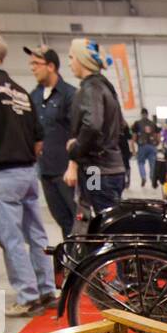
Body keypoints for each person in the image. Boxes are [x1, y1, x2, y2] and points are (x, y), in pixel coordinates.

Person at [0, 26, 56, 318]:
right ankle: (46, 289)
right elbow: (38, 138)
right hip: (28, 171)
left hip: (1, 173)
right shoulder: (19, 90)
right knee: (37, 234)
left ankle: (27, 296)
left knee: (11, 237)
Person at [64, 38, 127, 214]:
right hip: (111, 169)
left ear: (82, 59)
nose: (69, 64)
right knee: (105, 219)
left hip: (96, 170)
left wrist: (75, 149)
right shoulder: (106, 88)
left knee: (102, 222)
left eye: (71, 57)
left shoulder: (91, 88)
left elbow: (92, 125)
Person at [25, 45, 76, 238]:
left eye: (36, 64)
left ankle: (86, 262)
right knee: (61, 219)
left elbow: (78, 133)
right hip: (46, 171)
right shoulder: (33, 97)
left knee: (78, 218)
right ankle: (71, 260)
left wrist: (74, 166)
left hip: (69, 172)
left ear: (51, 66)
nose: (32, 68)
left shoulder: (70, 95)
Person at [132, 106, 160, 186]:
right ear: (147, 114)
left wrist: (133, 149)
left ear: (141, 114)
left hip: (142, 146)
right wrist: (157, 143)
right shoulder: (153, 123)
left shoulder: (137, 123)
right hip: (152, 146)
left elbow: (134, 137)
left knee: (140, 163)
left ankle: (143, 177)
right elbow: (158, 135)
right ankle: (152, 178)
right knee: (153, 164)